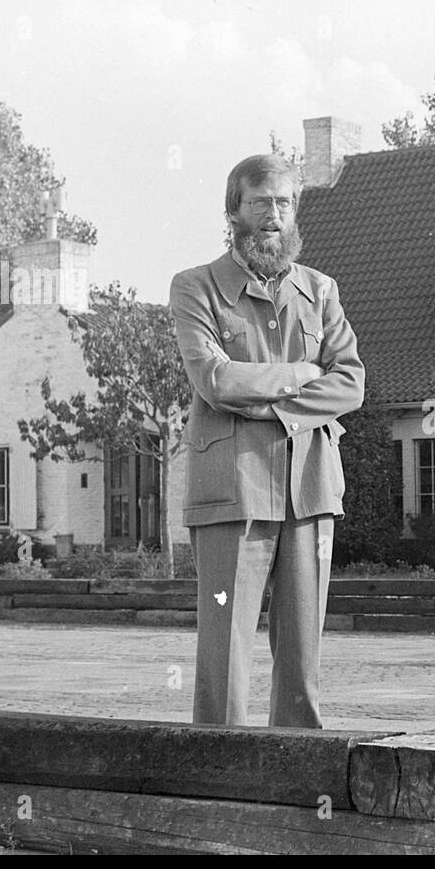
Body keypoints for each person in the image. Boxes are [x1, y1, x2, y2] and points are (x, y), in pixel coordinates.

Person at [171, 154, 363, 727]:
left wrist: (271, 406)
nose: (273, 216)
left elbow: (351, 382)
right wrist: (303, 375)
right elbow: (214, 379)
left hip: (310, 491)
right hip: (231, 492)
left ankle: (300, 779)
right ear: (234, 211)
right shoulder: (196, 288)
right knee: (225, 655)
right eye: (260, 203)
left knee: (302, 657)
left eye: (284, 203)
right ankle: (216, 775)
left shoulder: (321, 290)